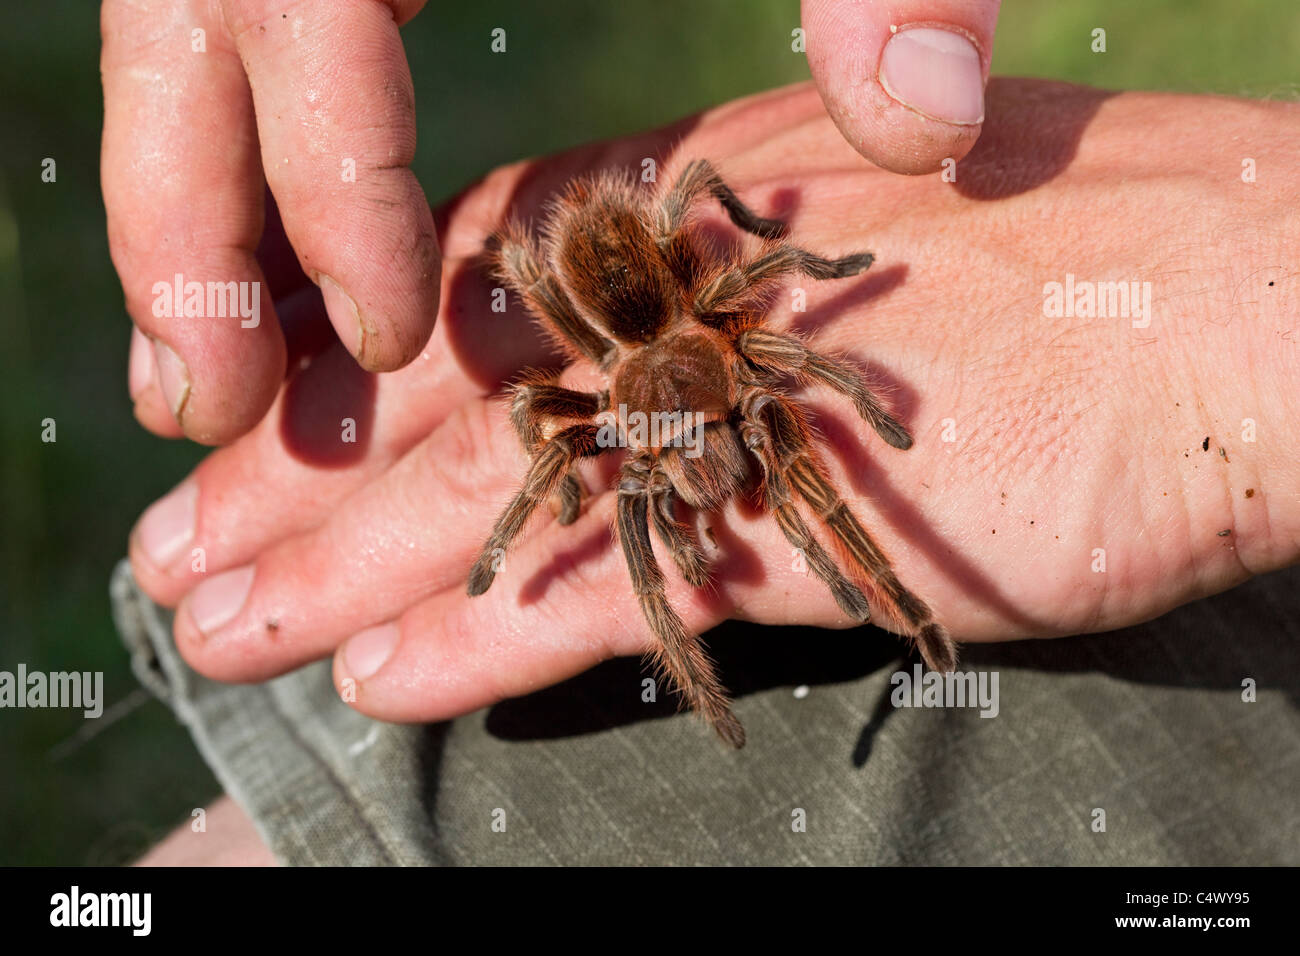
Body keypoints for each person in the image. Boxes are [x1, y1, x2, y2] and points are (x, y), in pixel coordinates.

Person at [103, 2, 1300, 864]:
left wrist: (846, 343)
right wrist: (531, 506)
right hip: (631, 333)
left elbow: (787, 300)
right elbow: (538, 405)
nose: (700, 458)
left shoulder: (741, 346)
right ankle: (696, 681)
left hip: (673, 326)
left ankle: (901, 622)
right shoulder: (612, 414)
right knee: (624, 545)